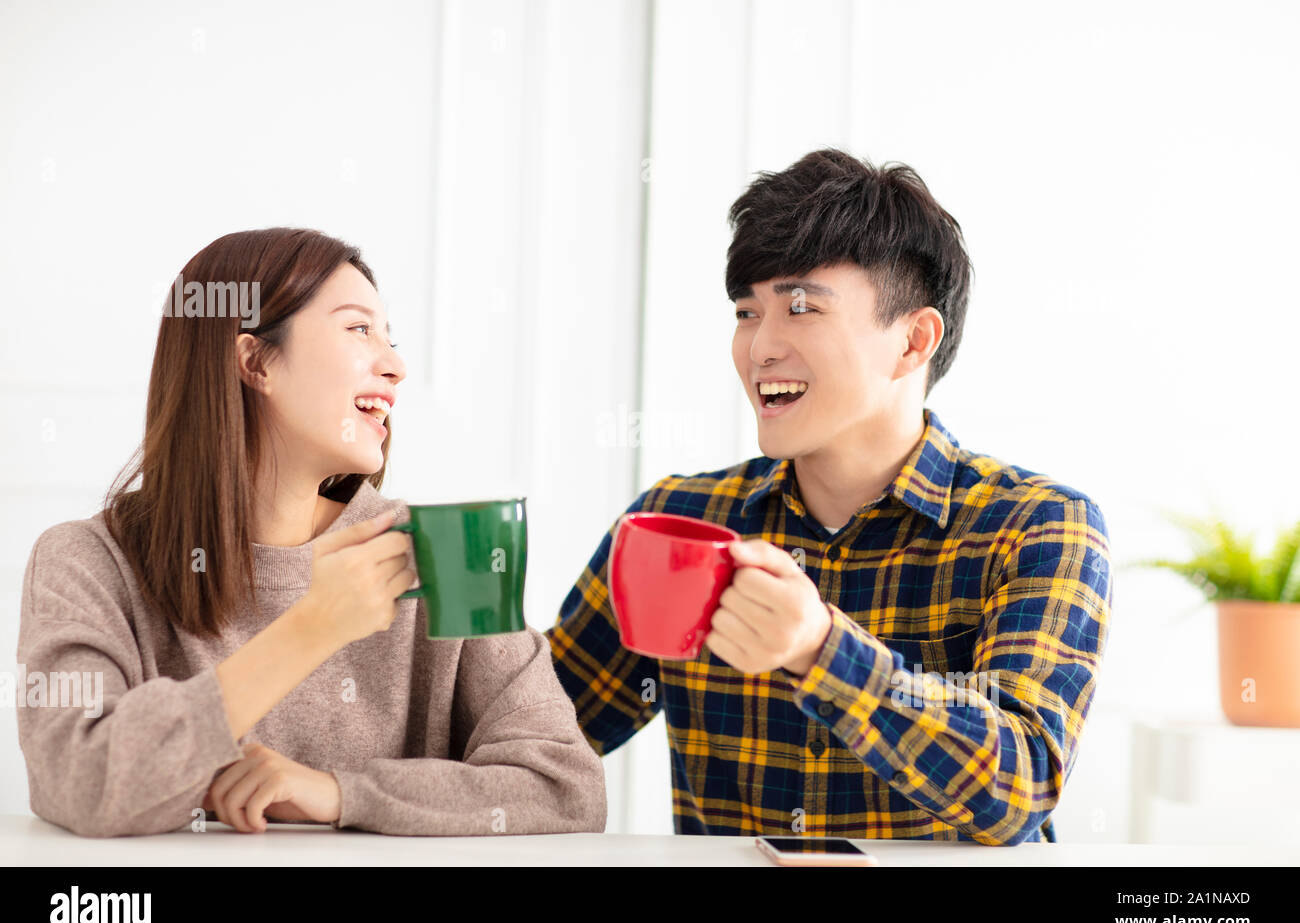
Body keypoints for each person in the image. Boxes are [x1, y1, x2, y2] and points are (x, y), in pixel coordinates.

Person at [546, 148, 1113, 844]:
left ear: (913, 341)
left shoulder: (1037, 526)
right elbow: (534, 738)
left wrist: (821, 651)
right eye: (747, 312)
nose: (759, 348)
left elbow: (1020, 785)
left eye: (802, 307)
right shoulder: (681, 523)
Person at [16, 227, 605, 837]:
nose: (396, 366)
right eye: (359, 330)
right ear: (255, 361)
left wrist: (339, 795)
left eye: (390, 338)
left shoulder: (449, 553)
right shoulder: (88, 561)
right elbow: (78, 781)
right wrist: (312, 629)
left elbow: (565, 788)